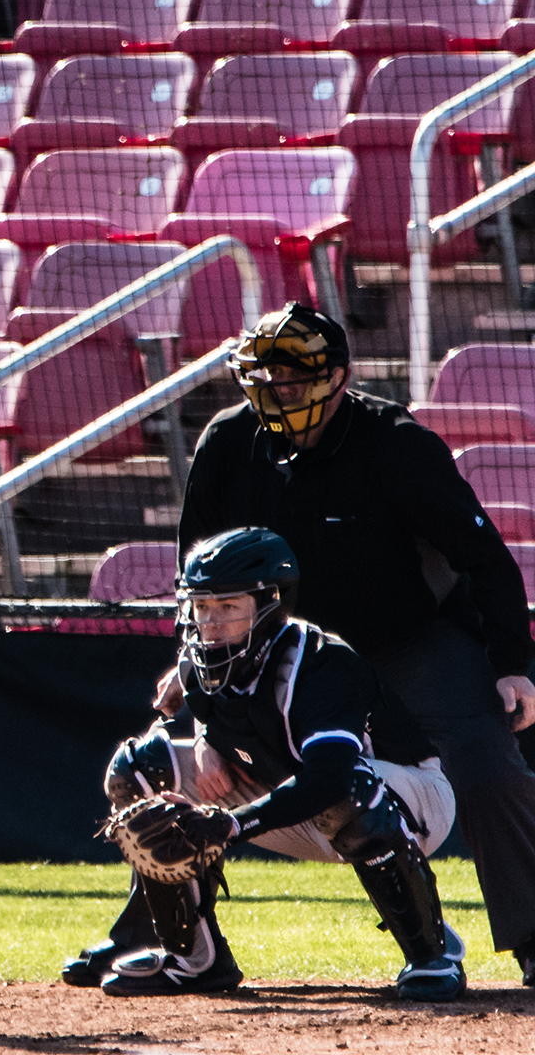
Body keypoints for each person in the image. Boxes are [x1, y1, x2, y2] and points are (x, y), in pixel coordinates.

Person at [158, 302, 535, 983]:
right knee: (150, 768)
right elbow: (197, 577)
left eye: (294, 382)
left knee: (489, 764)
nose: (278, 395)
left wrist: (513, 666)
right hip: (278, 655)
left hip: (409, 643)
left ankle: (533, 936)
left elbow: (484, 557)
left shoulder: (397, 444)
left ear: (339, 377)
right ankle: (176, 946)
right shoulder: (225, 443)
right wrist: (196, 682)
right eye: (264, 382)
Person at [69, 528, 465, 999]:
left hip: (411, 802)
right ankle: (193, 958)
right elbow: (204, 700)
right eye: (201, 608)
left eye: (228, 608)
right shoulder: (200, 661)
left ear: (271, 605)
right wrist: (204, 743)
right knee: (140, 766)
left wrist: (229, 826)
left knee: (348, 787)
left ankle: (432, 953)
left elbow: (329, 777)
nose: (210, 624)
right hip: (296, 798)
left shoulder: (321, 665)